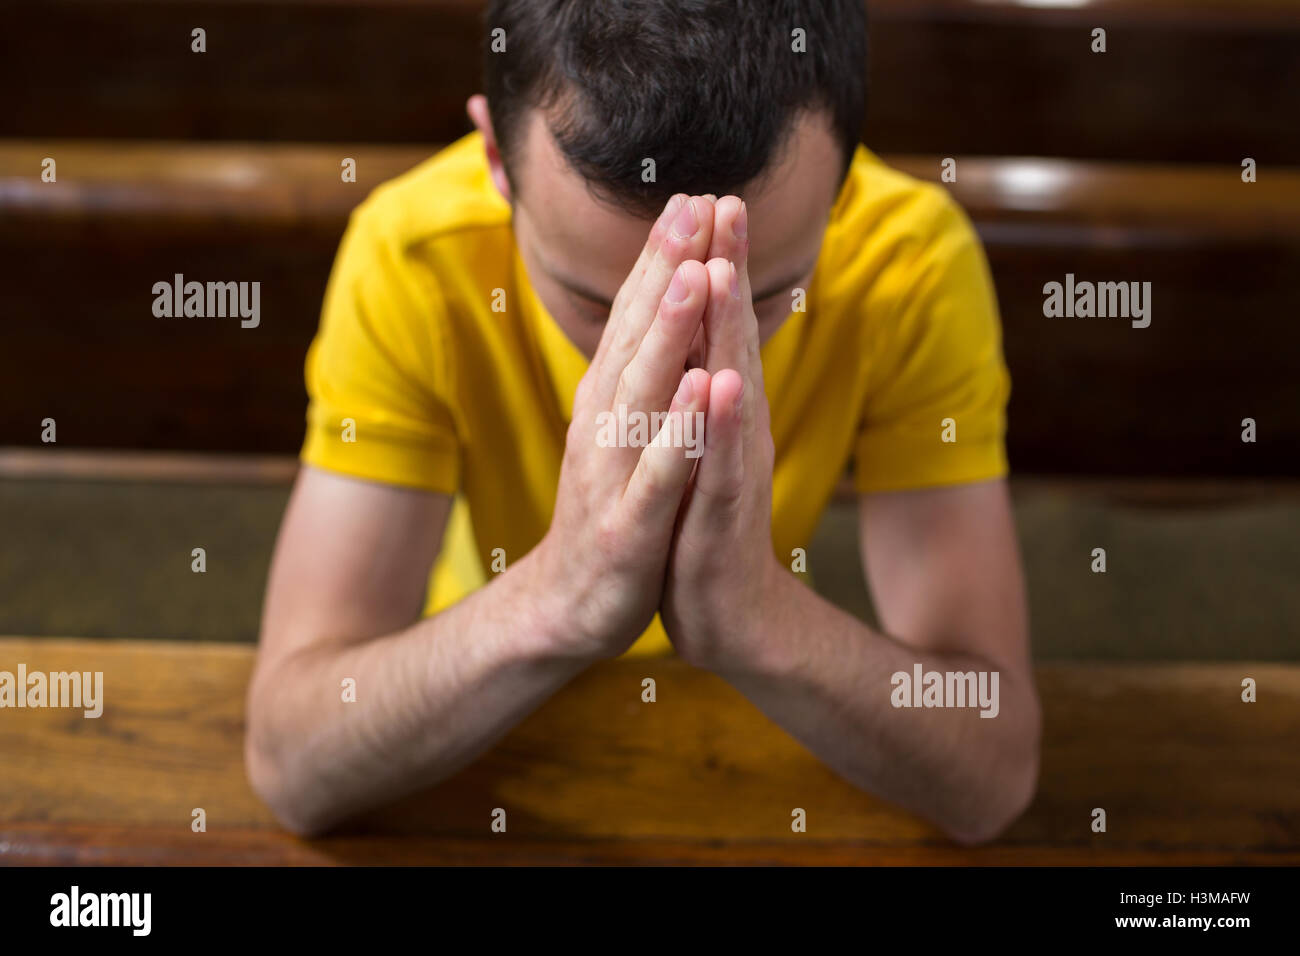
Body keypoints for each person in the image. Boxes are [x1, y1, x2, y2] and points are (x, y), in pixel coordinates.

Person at [245, 0, 1041, 844]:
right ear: (493, 159)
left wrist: (760, 618)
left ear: (843, 184)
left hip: (759, 721)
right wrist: (557, 598)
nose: (683, 368)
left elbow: (992, 775)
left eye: (758, 299)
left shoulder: (908, 264)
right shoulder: (414, 255)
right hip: (496, 705)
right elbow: (292, 763)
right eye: (598, 305)